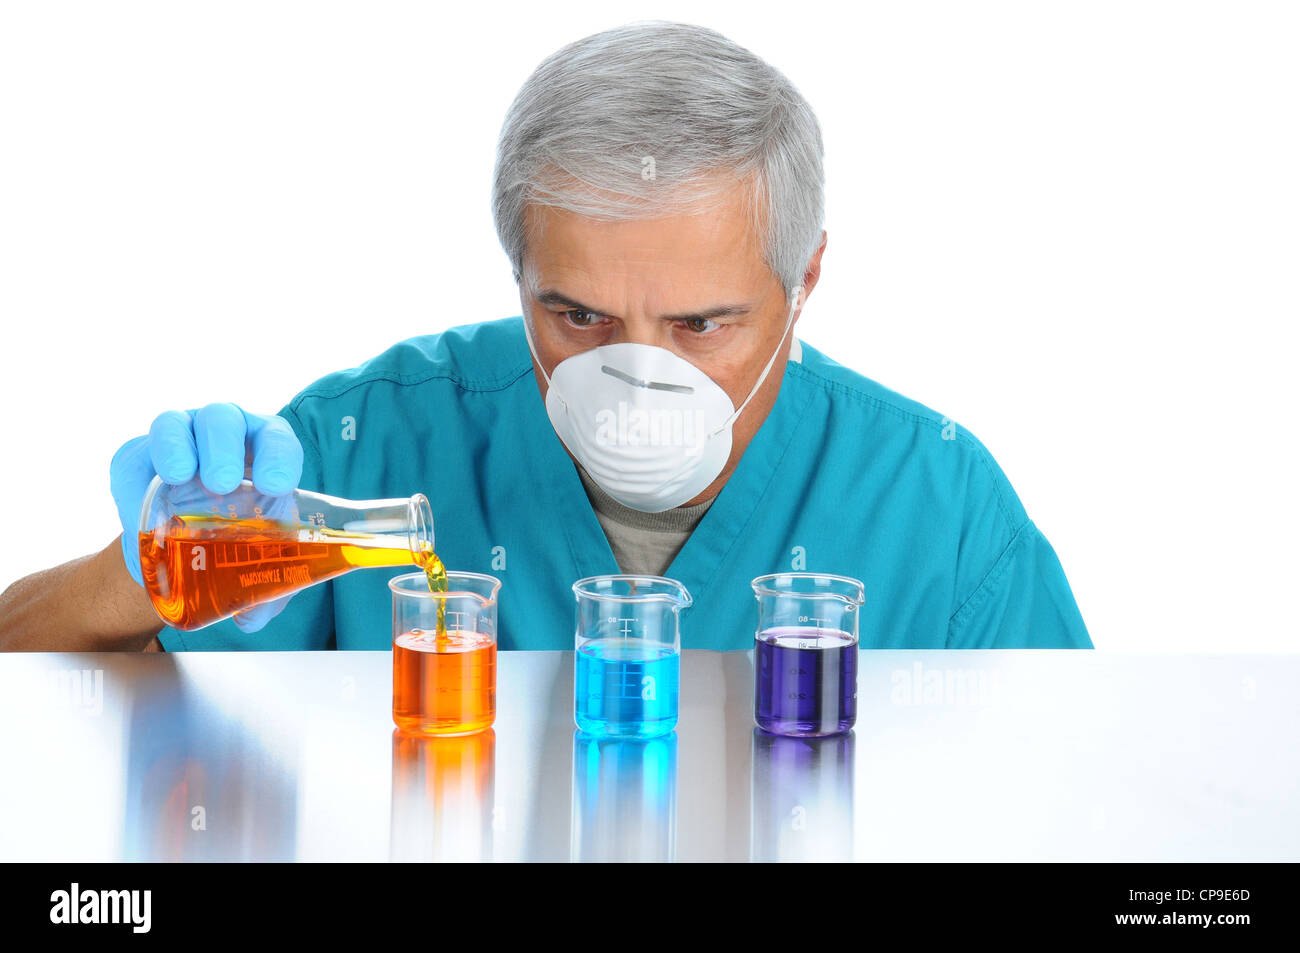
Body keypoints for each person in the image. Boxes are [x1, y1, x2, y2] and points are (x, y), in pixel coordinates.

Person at [0, 20, 1091, 652]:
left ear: (804, 278)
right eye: (578, 315)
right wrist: (136, 577)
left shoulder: (937, 511)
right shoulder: (361, 446)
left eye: (703, 323)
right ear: (516, 275)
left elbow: (1087, 818)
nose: (637, 376)